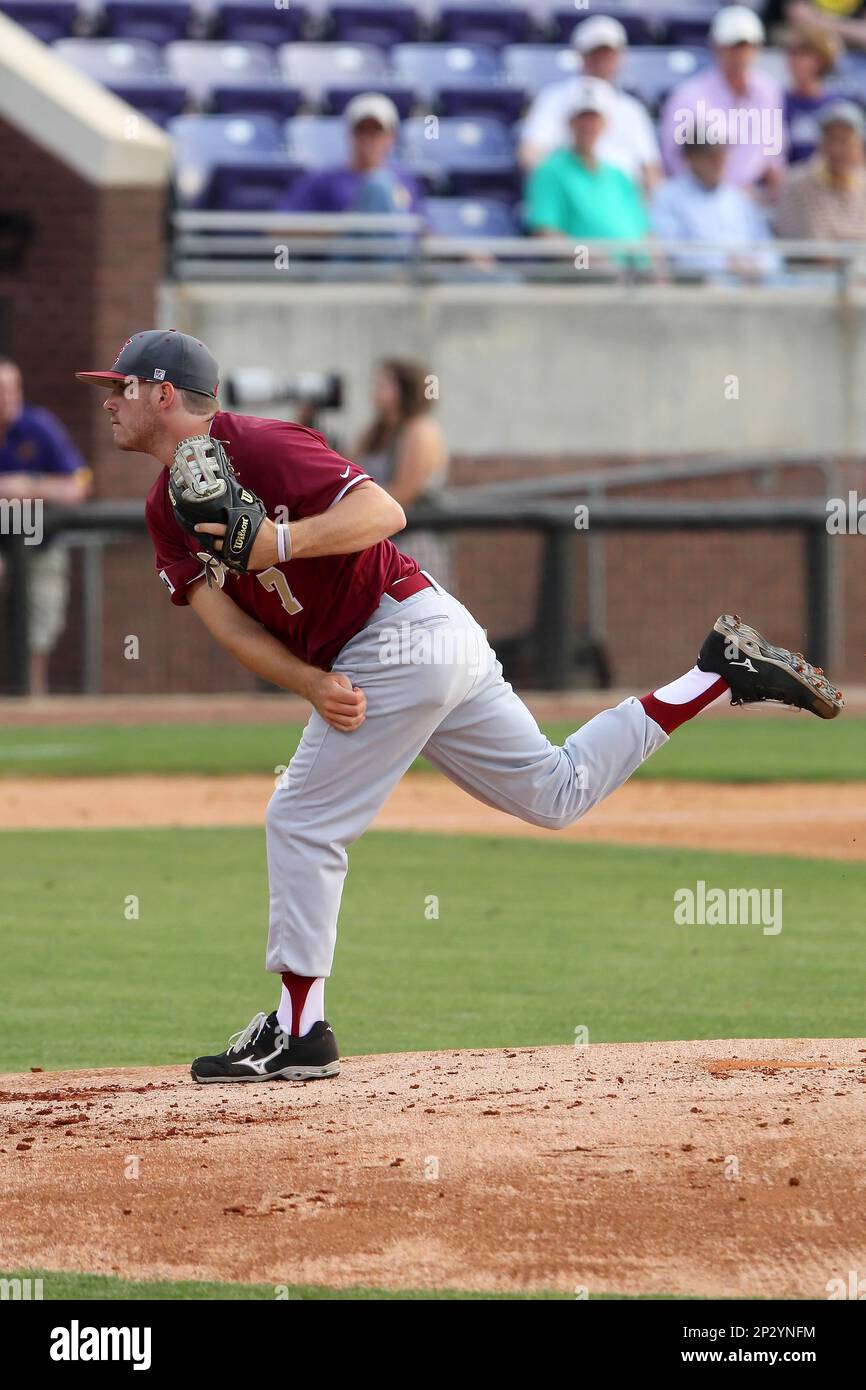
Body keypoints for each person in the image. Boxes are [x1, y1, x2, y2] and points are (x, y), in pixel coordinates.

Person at [76, 329, 843, 1084]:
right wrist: (309, 683)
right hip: (416, 642)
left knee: (302, 819)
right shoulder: (160, 507)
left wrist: (280, 541)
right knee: (554, 791)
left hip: (400, 631)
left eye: (121, 388)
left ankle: (300, 1030)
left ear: (163, 393)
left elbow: (382, 512)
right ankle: (716, 674)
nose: (109, 402)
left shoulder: (264, 444)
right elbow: (226, 622)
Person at [0, 358, 90, 695]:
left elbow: (78, 486)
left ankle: (34, 707)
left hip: (40, 545)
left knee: (40, 625)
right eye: (1, 391)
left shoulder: (40, 427)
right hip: (1, 547)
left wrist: (27, 484)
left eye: (12, 389)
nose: (7, 398)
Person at [519, 15, 662, 193]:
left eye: (608, 54)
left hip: (621, 204)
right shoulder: (553, 98)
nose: (602, 61)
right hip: (568, 198)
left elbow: (651, 171)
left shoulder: (633, 109)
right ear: (581, 55)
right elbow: (530, 154)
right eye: (595, 53)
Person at [660, 6, 786, 191]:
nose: (740, 54)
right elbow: (677, 162)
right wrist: (724, 195)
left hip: (756, 198)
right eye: (733, 47)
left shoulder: (768, 90)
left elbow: (773, 155)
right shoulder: (687, 96)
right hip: (700, 196)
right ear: (716, 47)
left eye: (747, 46)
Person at [354, 359, 451, 588]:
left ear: (404, 388)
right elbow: (350, 473)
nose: (375, 387)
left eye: (384, 382)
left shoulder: (420, 430)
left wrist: (354, 506)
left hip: (416, 540)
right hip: (378, 537)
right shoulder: (374, 431)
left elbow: (405, 491)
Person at [525, 77, 649, 244]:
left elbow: (645, 233)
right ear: (570, 122)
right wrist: (588, 261)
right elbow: (546, 233)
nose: (588, 126)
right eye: (582, 118)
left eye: (594, 118)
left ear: (605, 123)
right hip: (586, 268)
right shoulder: (550, 172)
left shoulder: (619, 176)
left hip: (635, 266)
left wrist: (659, 268)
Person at [651, 138, 778, 279]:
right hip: (697, 291)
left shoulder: (738, 198)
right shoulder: (668, 196)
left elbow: (769, 250)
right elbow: (671, 253)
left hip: (750, 288)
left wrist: (757, 266)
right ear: (691, 158)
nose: (719, 162)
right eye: (711, 156)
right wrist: (723, 266)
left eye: (722, 154)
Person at [281, 92, 423, 218]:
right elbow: (281, 227)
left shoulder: (405, 181)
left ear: (391, 137)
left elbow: (423, 230)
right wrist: (347, 225)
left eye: (376, 132)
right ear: (350, 134)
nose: (369, 139)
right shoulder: (323, 181)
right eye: (362, 130)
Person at [774, 99, 866, 239]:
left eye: (844, 140)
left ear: (858, 146)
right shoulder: (798, 183)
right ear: (820, 144)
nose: (837, 149)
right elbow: (820, 249)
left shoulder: (861, 182)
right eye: (830, 139)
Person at [782, 26, 842, 164]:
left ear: (821, 60)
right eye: (791, 53)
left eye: (803, 54)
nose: (794, 60)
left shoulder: (836, 107)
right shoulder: (776, 101)